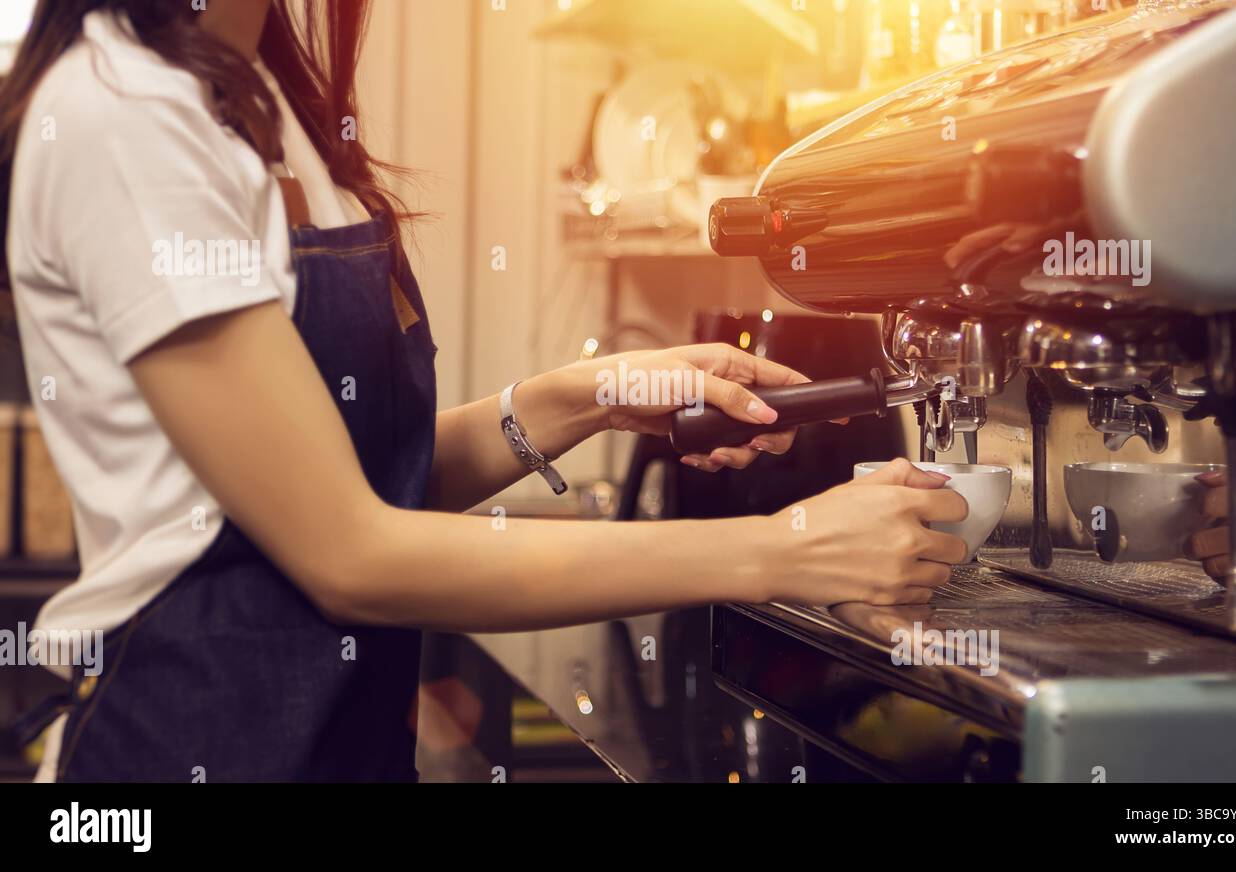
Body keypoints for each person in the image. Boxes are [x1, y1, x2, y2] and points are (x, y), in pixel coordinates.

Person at [0, 1, 967, 782]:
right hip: (188, 736)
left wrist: (583, 397)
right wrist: (782, 551)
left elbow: (360, 481)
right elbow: (348, 552)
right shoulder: (122, 114)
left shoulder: (255, 89)